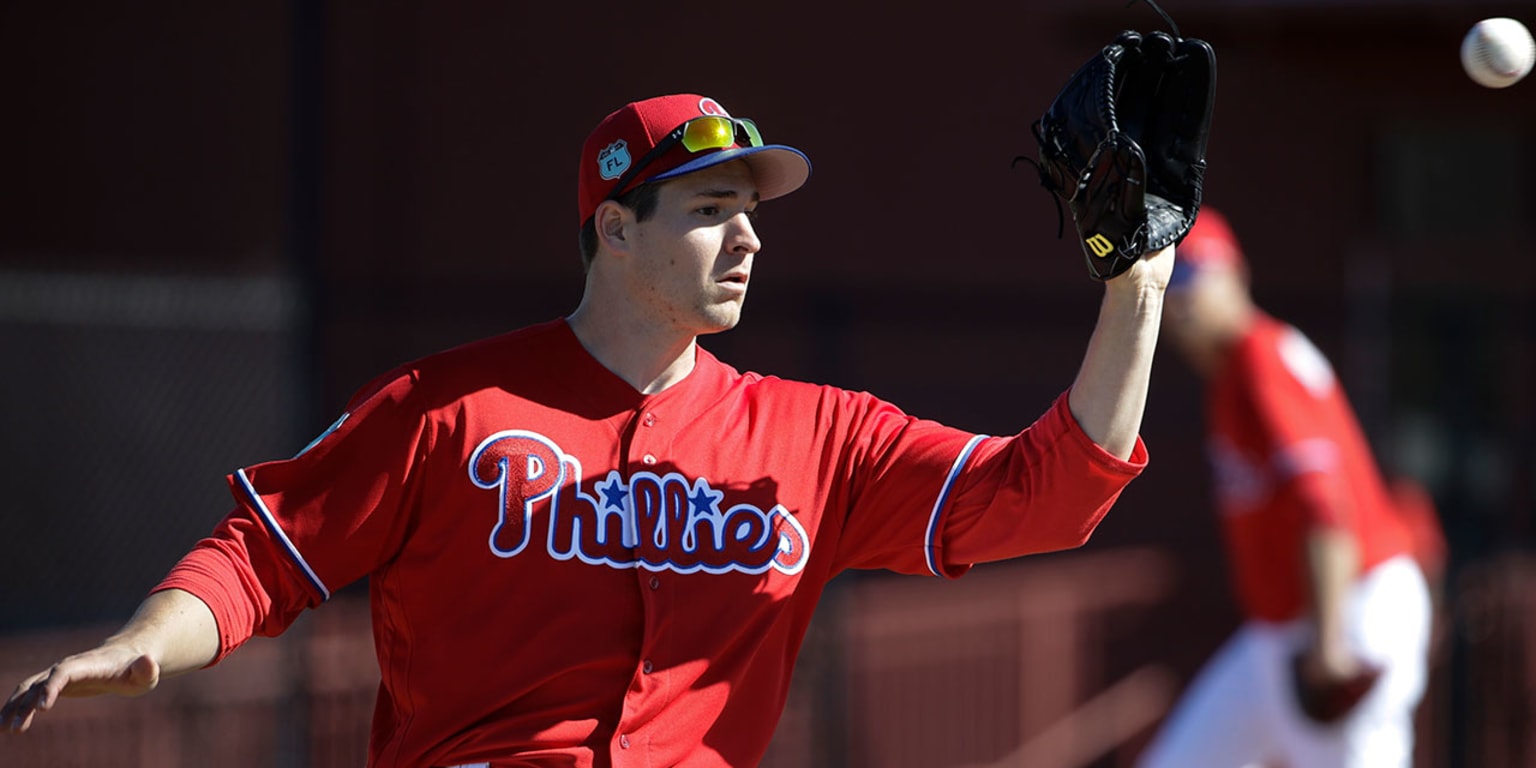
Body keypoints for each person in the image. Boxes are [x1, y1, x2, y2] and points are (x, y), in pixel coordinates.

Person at [2, 93, 1173, 768]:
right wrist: (145, 642)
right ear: (616, 229)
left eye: (752, 212)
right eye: (712, 210)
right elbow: (265, 552)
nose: (750, 238)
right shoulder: (447, 406)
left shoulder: (819, 436)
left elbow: (1050, 494)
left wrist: (1137, 285)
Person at [1136, 207, 1433, 768]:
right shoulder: (1231, 376)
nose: (1182, 301)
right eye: (1171, 282)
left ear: (1237, 274)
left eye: (1194, 276)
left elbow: (1326, 506)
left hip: (1346, 608)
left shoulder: (1262, 358)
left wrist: (1329, 646)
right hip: (1283, 629)